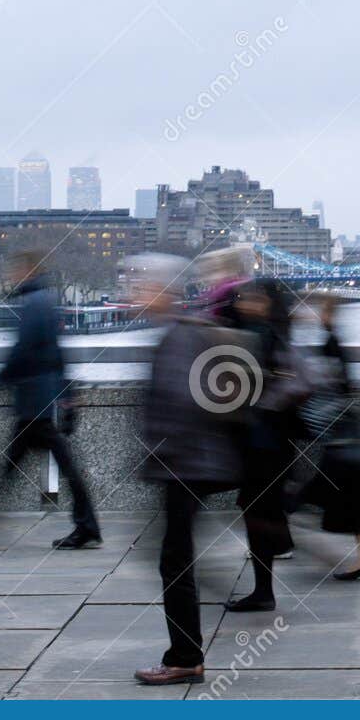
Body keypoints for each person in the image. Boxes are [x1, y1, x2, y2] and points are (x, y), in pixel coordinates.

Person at [131, 255, 248, 686]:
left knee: (174, 563)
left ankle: (185, 657)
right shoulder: (182, 332)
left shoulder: (178, 338)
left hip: (185, 466)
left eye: (142, 286)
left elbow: (182, 404)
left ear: (166, 292)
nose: (135, 293)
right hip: (190, 463)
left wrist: (160, 455)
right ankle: (186, 652)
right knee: (175, 558)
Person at [0, 250, 100, 549]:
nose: (10, 275)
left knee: (41, 464)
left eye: (14, 269)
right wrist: (68, 394)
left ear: (28, 270)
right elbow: (57, 354)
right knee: (18, 463)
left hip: (34, 402)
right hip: (41, 399)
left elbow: (22, 352)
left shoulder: (34, 304)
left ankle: (86, 524)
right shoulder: (45, 301)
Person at [225, 279, 308, 612]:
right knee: (262, 510)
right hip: (276, 442)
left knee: (257, 511)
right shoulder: (279, 334)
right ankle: (265, 586)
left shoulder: (258, 336)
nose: (242, 303)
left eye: (249, 299)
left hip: (261, 443)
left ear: (264, 303)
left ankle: (263, 591)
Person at [292, 292, 360, 581]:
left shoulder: (329, 343)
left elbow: (322, 385)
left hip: (335, 439)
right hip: (347, 436)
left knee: (303, 498)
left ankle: (278, 542)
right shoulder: (337, 340)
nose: (317, 316)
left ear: (327, 314)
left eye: (320, 311)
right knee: (351, 500)